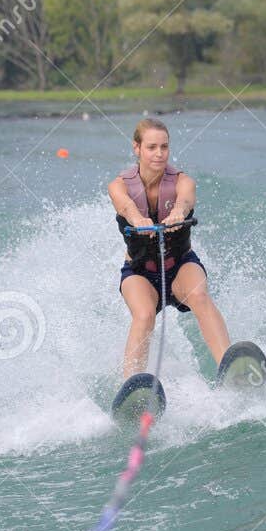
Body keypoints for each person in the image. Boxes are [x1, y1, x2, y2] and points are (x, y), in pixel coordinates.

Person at [108, 117, 230, 378]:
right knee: (143, 316)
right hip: (140, 271)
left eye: (164, 147)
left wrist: (177, 212)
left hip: (180, 266)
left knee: (199, 296)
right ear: (137, 148)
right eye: (152, 147)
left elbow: (185, 200)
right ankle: (131, 386)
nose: (159, 154)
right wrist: (138, 220)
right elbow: (125, 206)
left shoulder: (182, 181)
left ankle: (230, 367)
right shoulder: (118, 185)